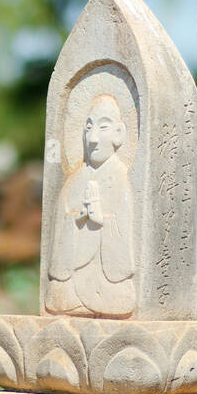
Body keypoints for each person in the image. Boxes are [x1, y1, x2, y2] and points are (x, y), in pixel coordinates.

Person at [46, 94, 136, 317]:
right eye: (88, 129)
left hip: (107, 283)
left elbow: (125, 246)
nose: (93, 138)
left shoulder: (121, 178)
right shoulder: (75, 180)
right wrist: (76, 219)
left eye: (103, 128)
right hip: (72, 282)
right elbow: (58, 239)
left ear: (119, 134)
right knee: (57, 294)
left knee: (118, 298)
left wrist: (102, 220)